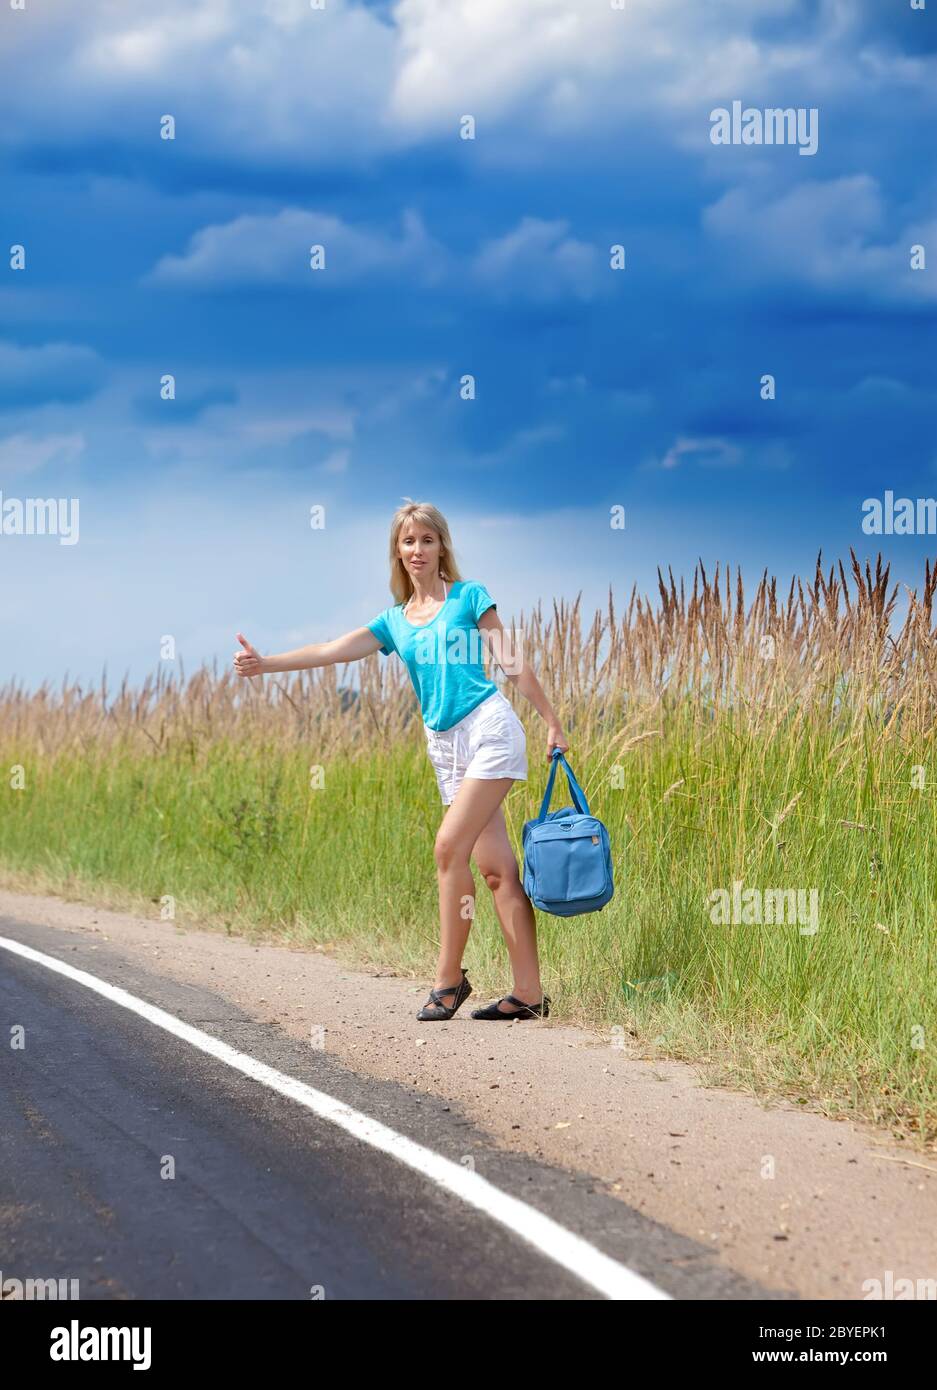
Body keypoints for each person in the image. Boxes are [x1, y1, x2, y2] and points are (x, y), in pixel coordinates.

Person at [234, 499, 569, 1023]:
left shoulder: (469, 597)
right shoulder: (395, 622)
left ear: (442, 547)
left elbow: (511, 661)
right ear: (398, 551)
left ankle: (448, 981)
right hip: (445, 746)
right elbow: (333, 650)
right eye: (408, 541)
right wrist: (266, 664)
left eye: (427, 540)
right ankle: (528, 995)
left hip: (488, 729)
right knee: (498, 871)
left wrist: (551, 719)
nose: (418, 550)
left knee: (446, 848)